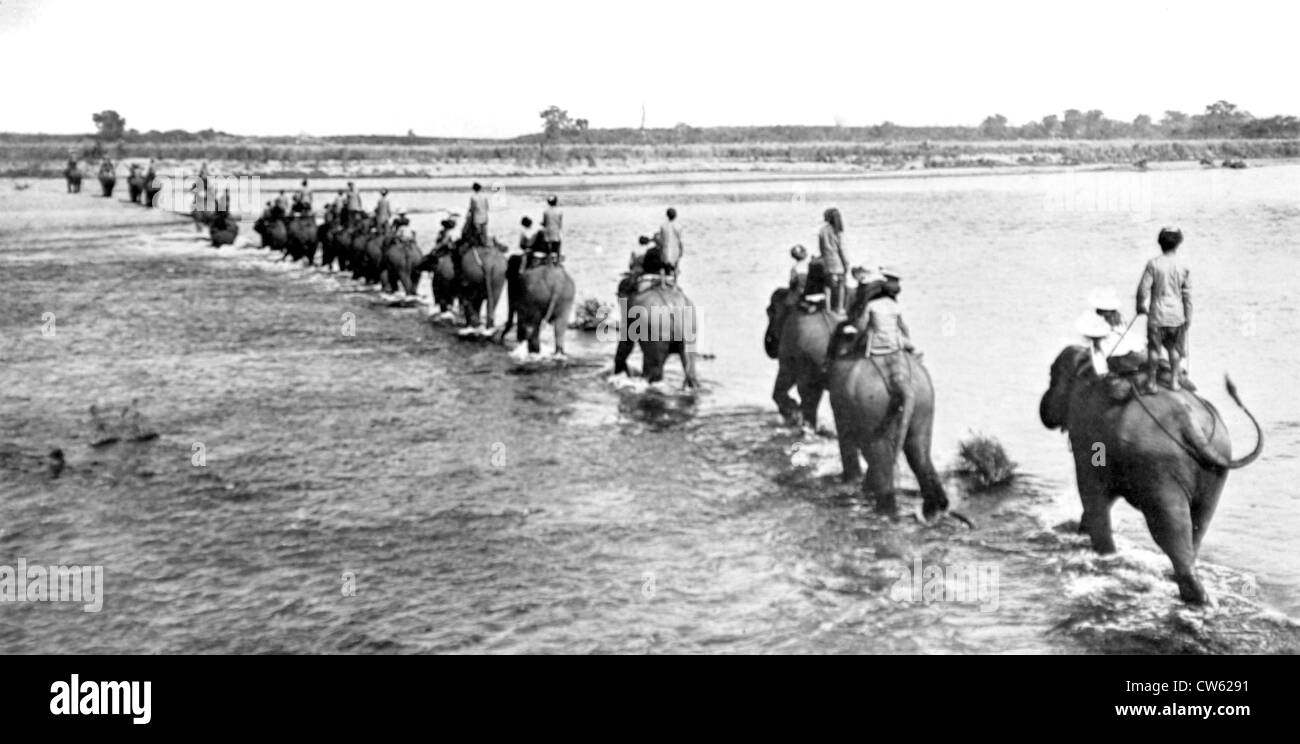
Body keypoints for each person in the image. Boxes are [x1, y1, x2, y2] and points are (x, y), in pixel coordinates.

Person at [864, 269, 916, 462]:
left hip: (876, 349)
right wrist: (909, 341)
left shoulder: (871, 305)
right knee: (915, 353)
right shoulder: (895, 307)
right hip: (895, 347)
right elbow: (903, 328)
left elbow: (864, 326)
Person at [1136, 227, 1192, 394]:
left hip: (1157, 316)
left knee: (1154, 350)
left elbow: (1143, 289)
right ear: (1178, 244)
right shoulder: (1183, 266)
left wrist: (1140, 305)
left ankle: (1152, 384)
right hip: (1176, 316)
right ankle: (1174, 382)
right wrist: (1188, 317)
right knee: (1173, 350)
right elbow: (1187, 296)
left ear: (1160, 243)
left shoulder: (1153, 264)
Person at [819, 207, 850, 313]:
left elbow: (821, 248)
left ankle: (827, 308)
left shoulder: (822, 231)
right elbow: (842, 249)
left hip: (827, 261)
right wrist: (846, 263)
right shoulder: (837, 231)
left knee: (827, 286)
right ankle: (839, 308)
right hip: (838, 262)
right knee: (841, 285)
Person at [657, 207, 684, 273]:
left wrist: (660, 250)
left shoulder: (663, 226)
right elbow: (680, 241)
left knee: (663, 267)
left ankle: (663, 281)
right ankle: (675, 280)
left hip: (665, 249)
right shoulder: (678, 226)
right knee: (676, 266)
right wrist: (681, 251)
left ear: (667, 215)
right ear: (675, 216)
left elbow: (661, 240)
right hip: (675, 250)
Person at [467, 182, 490, 247]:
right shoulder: (484, 196)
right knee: (484, 232)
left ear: (474, 189)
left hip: (477, 216)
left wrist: (469, 216)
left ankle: (479, 244)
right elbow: (487, 207)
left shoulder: (473, 197)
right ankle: (485, 244)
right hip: (484, 215)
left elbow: (472, 208)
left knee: (478, 232)